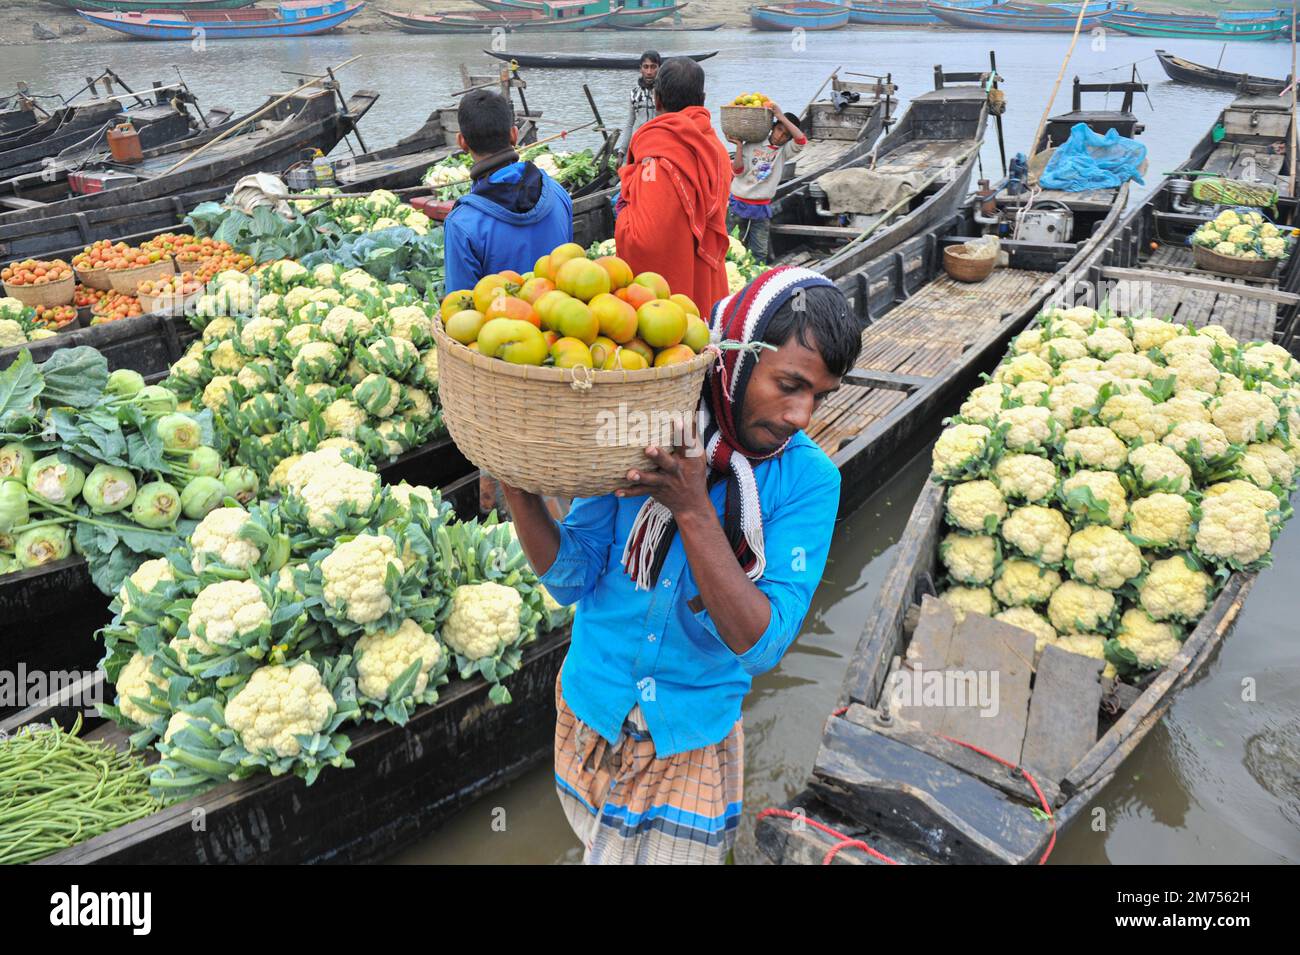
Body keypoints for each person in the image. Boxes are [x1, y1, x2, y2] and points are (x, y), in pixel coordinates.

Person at [500, 267, 864, 864]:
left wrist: (694, 509)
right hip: (592, 708)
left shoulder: (807, 481)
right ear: (736, 360)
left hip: (688, 738)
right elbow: (572, 578)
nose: (801, 415)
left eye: (821, 397)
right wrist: (518, 488)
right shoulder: (642, 428)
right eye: (790, 385)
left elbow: (763, 644)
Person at [615, 56, 731, 316]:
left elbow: (644, 241)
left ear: (657, 99)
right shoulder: (716, 148)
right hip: (708, 285)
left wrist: (622, 211)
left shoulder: (656, 155)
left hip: (670, 303)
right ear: (702, 97)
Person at [442, 88, 574, 296]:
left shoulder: (462, 224)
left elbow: (460, 308)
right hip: (563, 324)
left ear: (462, 142)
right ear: (514, 134)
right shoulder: (558, 194)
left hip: (502, 325)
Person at [727, 103, 806, 264]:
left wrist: (780, 116)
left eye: (785, 135)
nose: (779, 137)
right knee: (733, 250)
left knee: (759, 253)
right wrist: (740, 147)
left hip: (761, 209)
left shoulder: (783, 151)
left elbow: (801, 140)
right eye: (778, 129)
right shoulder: (753, 144)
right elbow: (738, 172)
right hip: (738, 205)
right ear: (773, 128)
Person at [617, 50, 661, 158]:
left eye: (653, 67)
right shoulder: (635, 94)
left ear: (659, 68)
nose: (649, 72)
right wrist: (622, 151)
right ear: (640, 69)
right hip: (639, 144)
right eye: (645, 67)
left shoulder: (665, 92)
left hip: (660, 145)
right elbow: (630, 124)